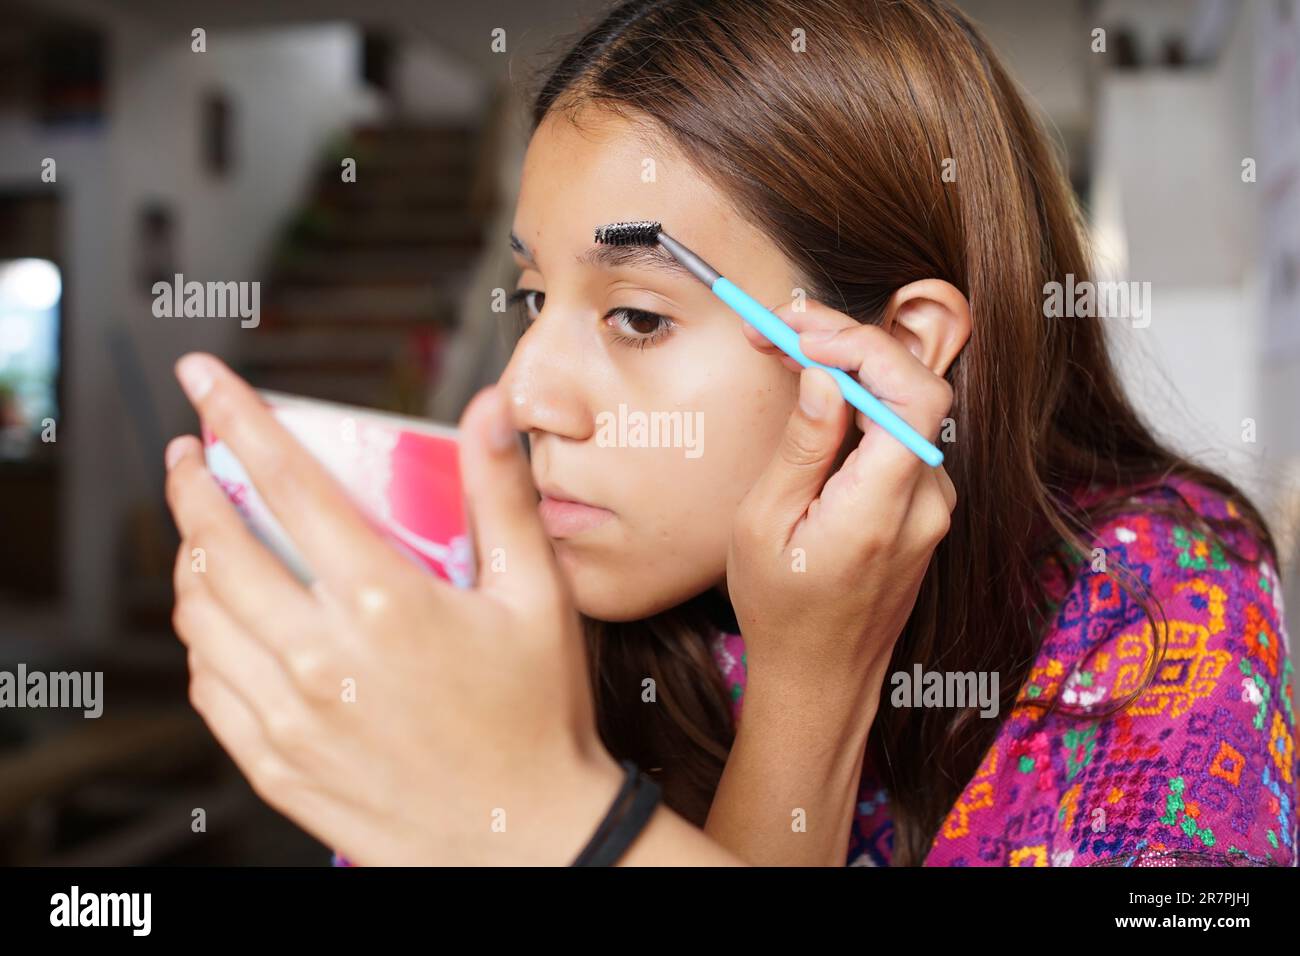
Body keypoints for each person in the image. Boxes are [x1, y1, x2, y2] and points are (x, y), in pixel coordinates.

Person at [162, 0, 1296, 866]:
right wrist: (806, 690)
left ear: (893, 346)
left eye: (639, 315)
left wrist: (565, 822)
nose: (520, 394)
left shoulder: (1155, 596)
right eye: (529, 298)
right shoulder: (502, 600)